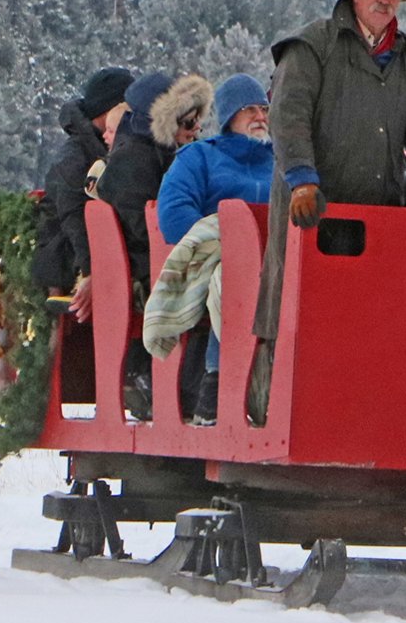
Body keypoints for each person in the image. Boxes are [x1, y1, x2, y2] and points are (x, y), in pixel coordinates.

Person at [249, 0, 406, 423]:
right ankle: (275, 414)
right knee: (296, 310)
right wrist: (303, 181)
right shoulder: (312, 45)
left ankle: (360, 417)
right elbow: (288, 119)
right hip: (312, 213)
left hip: (375, 216)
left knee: (367, 319)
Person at [156, 74, 273, 425]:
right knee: (234, 284)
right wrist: (218, 246)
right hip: (214, 262)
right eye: (249, 109)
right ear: (228, 117)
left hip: (278, 262)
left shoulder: (283, 163)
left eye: (264, 109)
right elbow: (174, 212)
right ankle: (216, 389)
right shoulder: (200, 158)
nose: (260, 117)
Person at [99, 70, 212, 419]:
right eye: (188, 122)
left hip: (151, 258)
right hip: (139, 266)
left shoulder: (156, 155)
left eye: (198, 122)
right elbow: (144, 228)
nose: (195, 130)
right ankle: (182, 387)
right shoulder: (135, 160)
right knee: (205, 292)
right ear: (163, 120)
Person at [30, 65, 131, 320]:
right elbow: (75, 219)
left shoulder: (113, 147)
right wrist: (91, 271)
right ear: (111, 108)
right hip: (64, 262)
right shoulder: (74, 157)